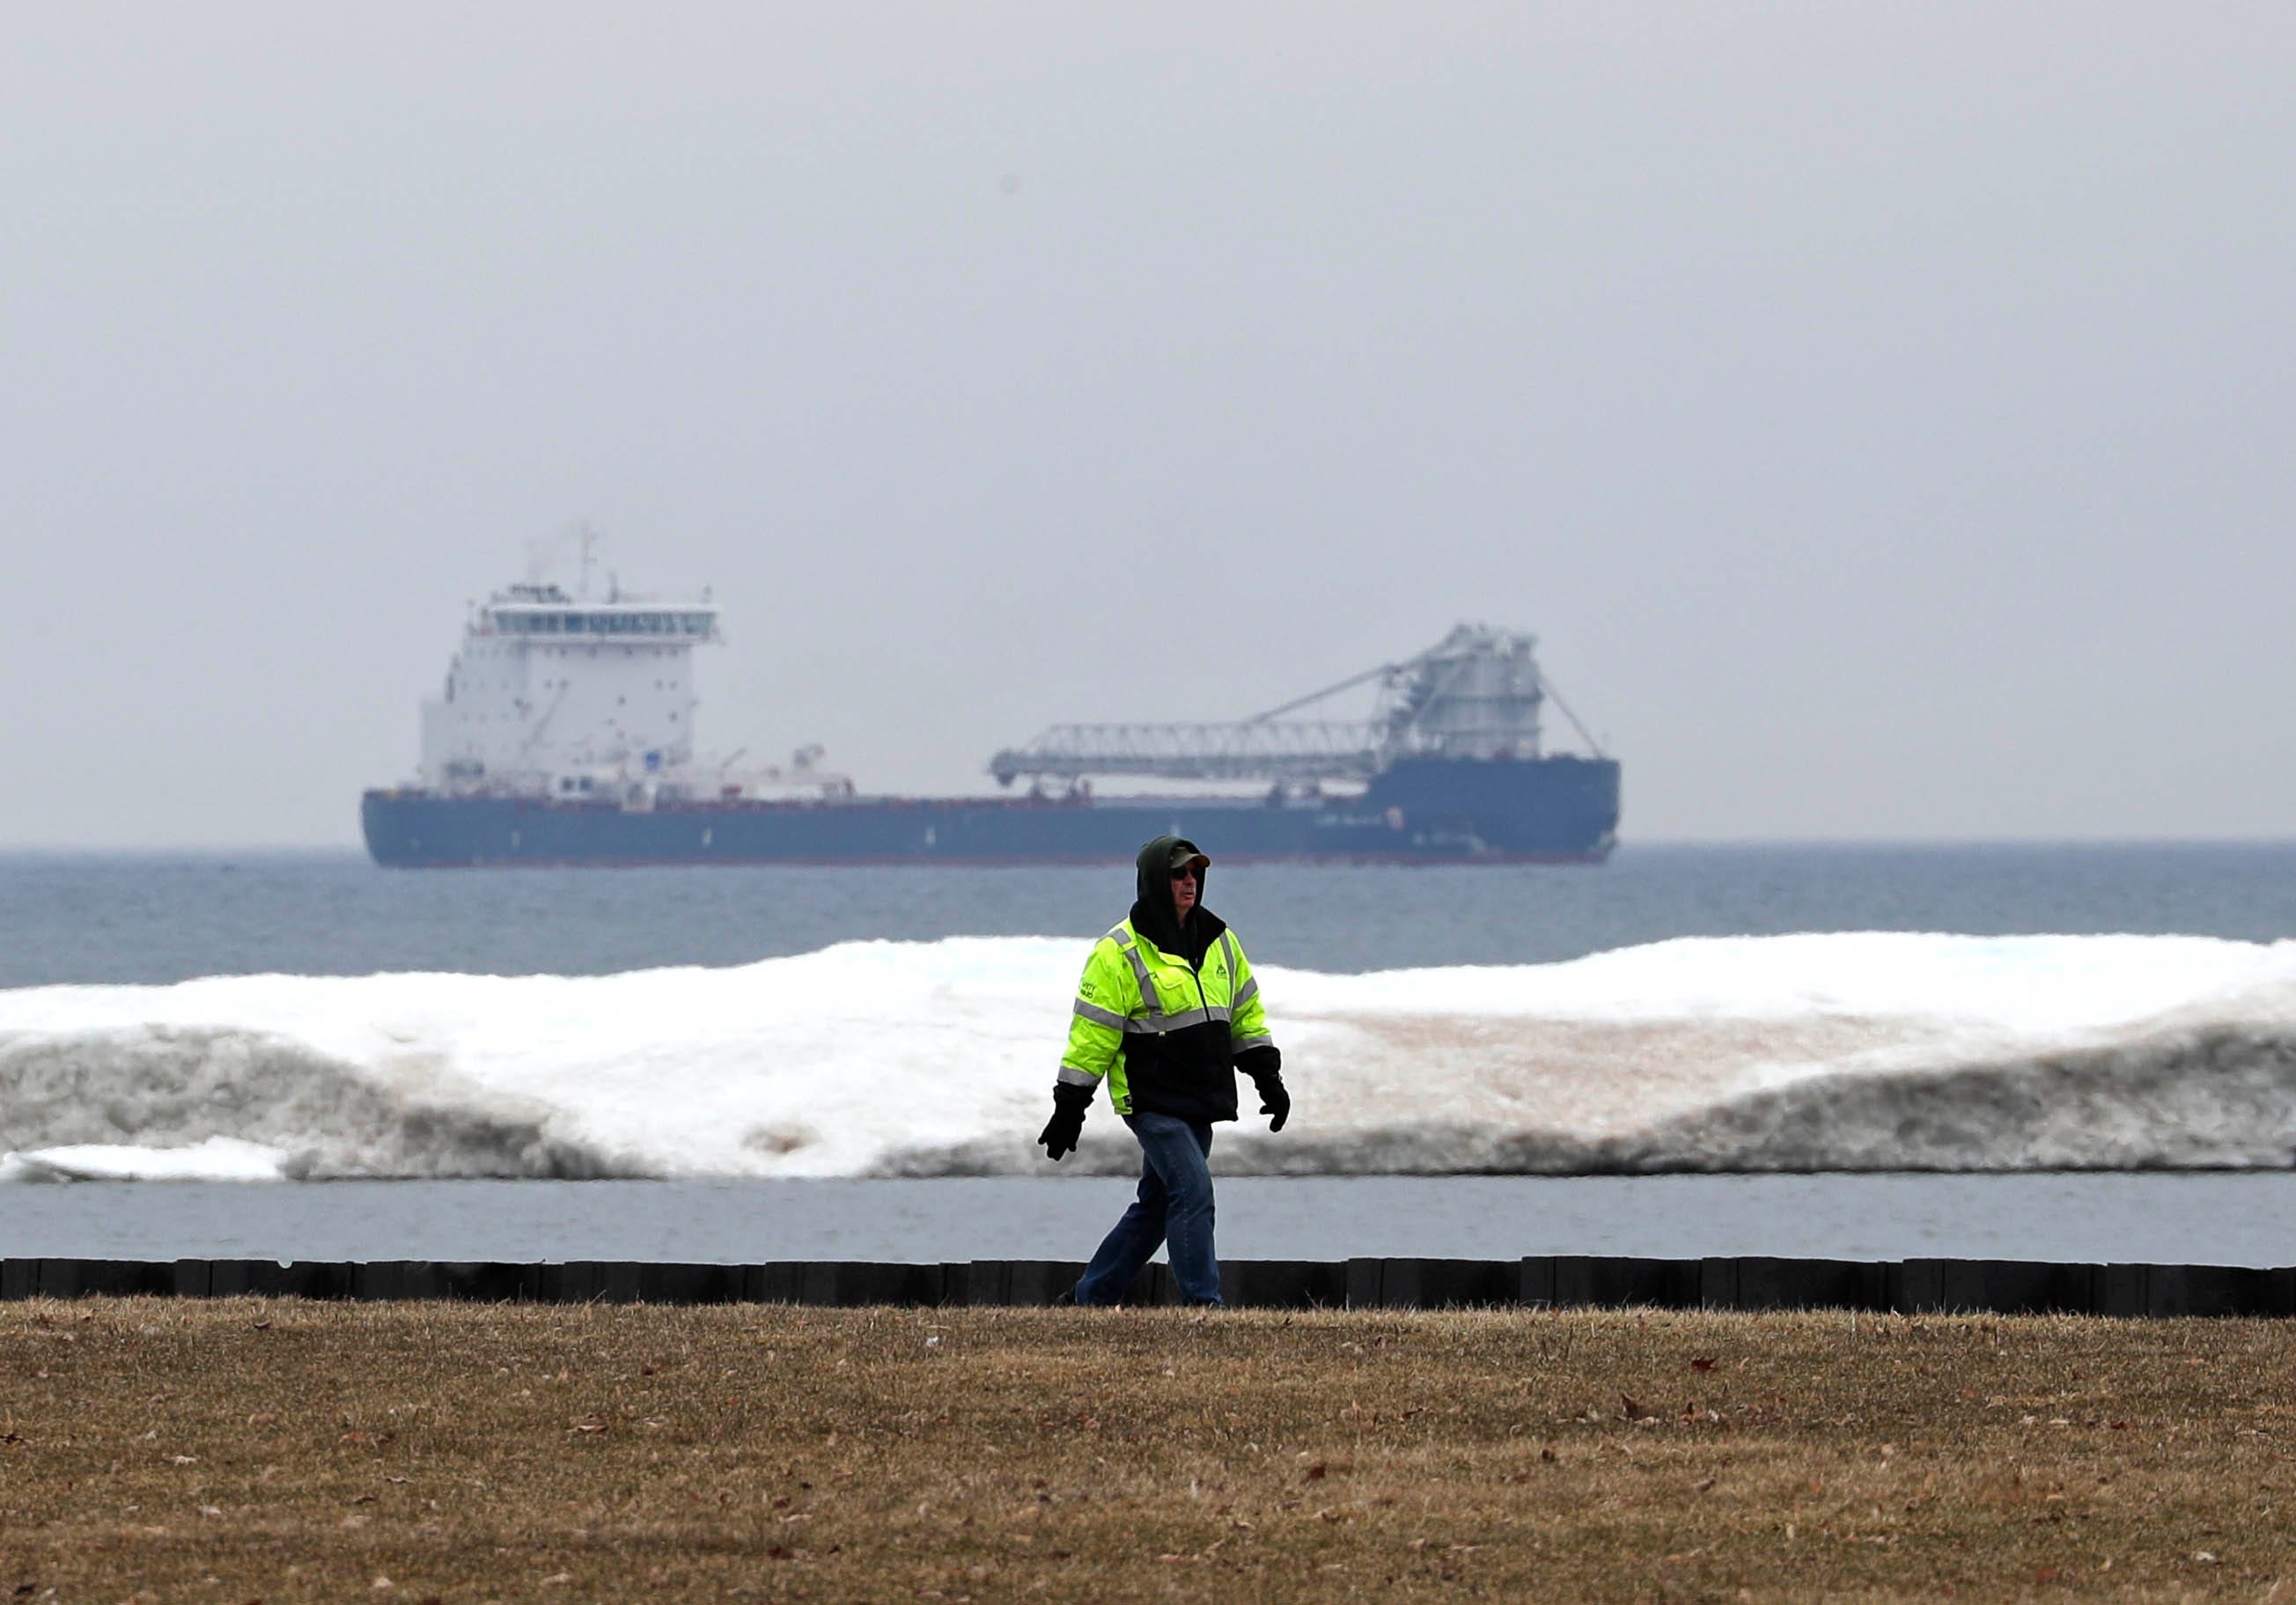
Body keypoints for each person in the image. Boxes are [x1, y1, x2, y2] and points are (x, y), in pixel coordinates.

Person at [1036, 835, 1289, 1306]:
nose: (1190, 882)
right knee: (1193, 1193)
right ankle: (1203, 1308)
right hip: (1151, 1101)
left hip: (1200, 1098)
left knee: (1155, 1208)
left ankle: (1087, 1300)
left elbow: (1245, 1014)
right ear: (1155, 881)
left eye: (1195, 873)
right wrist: (1070, 1106)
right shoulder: (1117, 952)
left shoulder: (1221, 941)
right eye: (1178, 874)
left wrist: (1268, 1078)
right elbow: (1093, 1034)